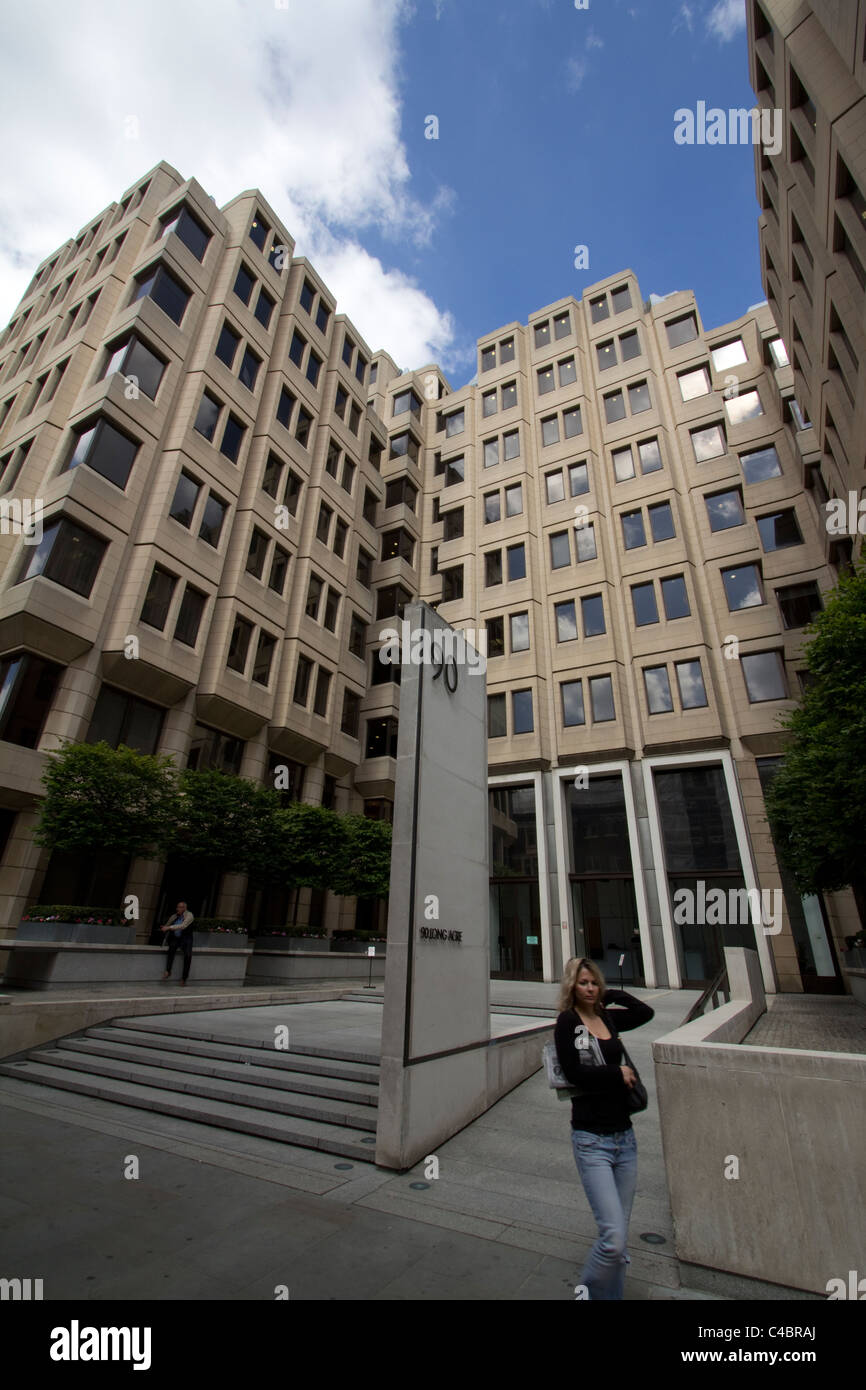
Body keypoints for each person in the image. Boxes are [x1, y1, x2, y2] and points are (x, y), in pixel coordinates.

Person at [554, 956, 654, 1300]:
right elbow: (574, 1073)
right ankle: (585, 1292)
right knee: (612, 1239)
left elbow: (645, 1014)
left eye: (594, 982)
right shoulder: (568, 1023)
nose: (590, 988)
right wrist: (617, 1074)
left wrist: (614, 995)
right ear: (572, 986)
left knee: (619, 1238)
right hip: (590, 1137)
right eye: (583, 982)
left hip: (624, 1138)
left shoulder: (606, 1018)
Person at [160, 901, 195, 985]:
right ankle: (168, 971)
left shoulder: (189, 915)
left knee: (188, 955)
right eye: (177, 907)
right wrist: (164, 927)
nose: (177, 909)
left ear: (184, 908)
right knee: (171, 948)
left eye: (179, 907)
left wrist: (169, 927)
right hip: (176, 938)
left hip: (186, 938)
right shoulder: (174, 916)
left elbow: (183, 926)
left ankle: (184, 978)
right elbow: (167, 925)